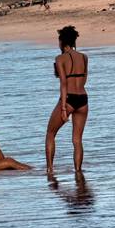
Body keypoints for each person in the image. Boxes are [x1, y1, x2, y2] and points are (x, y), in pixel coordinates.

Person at [46, 25, 89, 175]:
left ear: (61, 42)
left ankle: (50, 171)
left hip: (69, 98)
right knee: (77, 140)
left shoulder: (60, 59)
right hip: (83, 98)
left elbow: (63, 83)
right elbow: (84, 79)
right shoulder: (84, 57)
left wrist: (64, 108)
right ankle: (78, 172)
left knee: (50, 133)